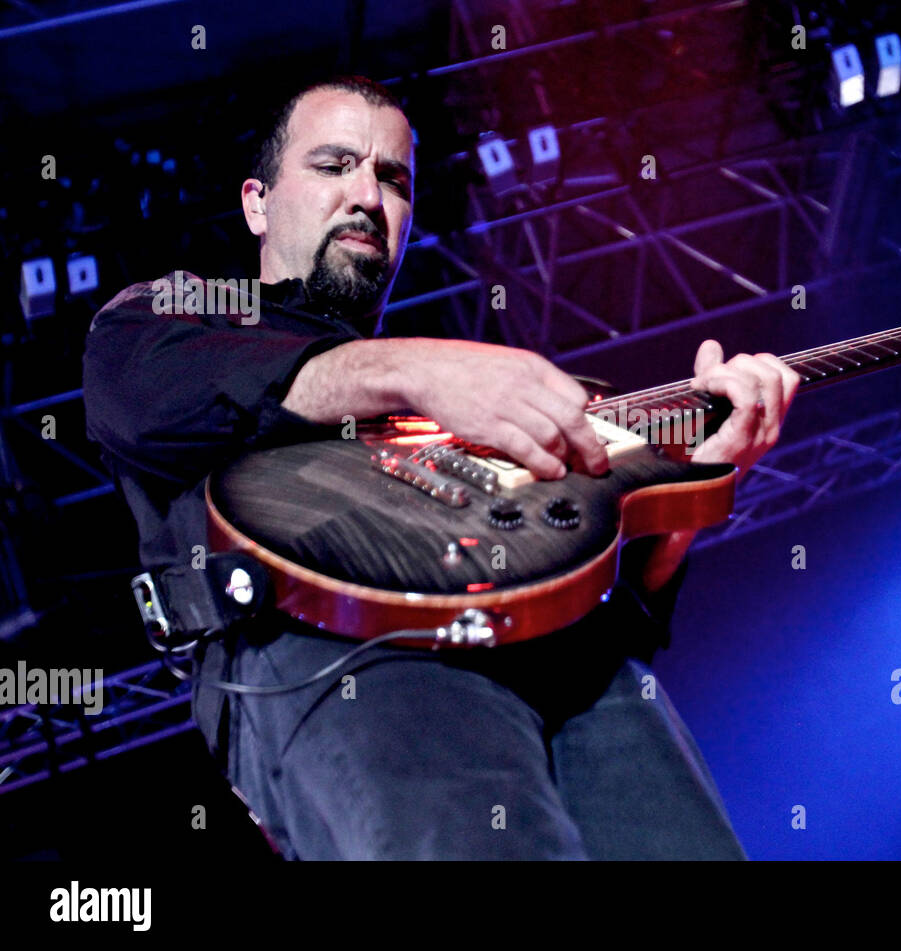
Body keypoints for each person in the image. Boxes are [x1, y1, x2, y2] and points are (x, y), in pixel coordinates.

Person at [82, 75, 799, 859]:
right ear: (257, 203)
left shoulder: (468, 401)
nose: (366, 194)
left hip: (576, 664)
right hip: (347, 651)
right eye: (334, 165)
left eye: (393, 178)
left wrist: (691, 496)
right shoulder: (175, 319)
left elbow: (600, 593)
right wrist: (412, 369)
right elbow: (141, 388)